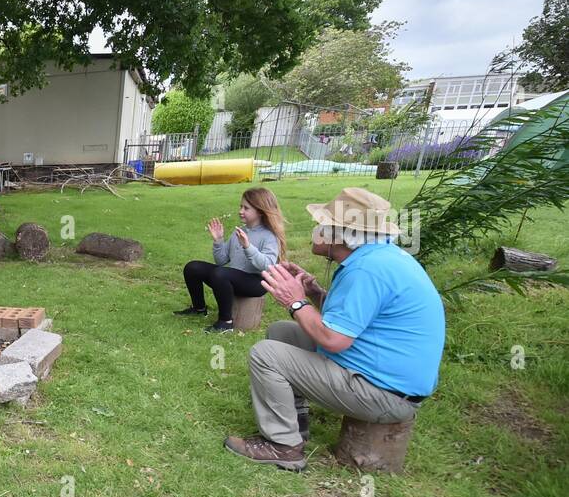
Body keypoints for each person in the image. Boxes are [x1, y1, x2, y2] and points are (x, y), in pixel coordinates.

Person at [224, 187, 445, 471]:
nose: (316, 229)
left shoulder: (366, 271)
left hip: (386, 394)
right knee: (282, 332)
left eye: (322, 225)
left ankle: (284, 447)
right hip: (381, 376)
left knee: (265, 354)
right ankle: (296, 423)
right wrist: (314, 293)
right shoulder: (375, 258)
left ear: (340, 235)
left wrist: (296, 302)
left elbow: (333, 339)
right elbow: (356, 318)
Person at [176, 187, 286, 332]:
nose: (241, 211)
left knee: (220, 273)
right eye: (241, 206)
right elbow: (221, 260)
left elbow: (267, 266)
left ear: (260, 211)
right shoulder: (239, 231)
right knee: (193, 267)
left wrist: (248, 246)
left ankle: (225, 322)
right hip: (232, 276)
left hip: (256, 282)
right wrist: (218, 240)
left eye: (246, 208)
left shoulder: (268, 236)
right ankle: (199, 308)